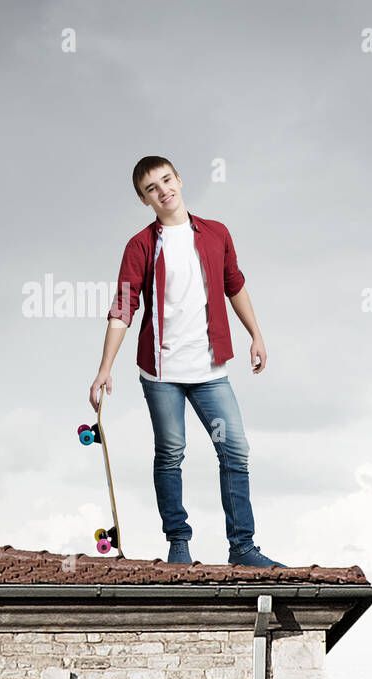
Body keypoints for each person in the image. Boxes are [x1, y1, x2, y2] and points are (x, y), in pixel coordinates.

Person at [89, 155, 284, 567]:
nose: (163, 191)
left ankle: (242, 547)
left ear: (179, 179)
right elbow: (123, 306)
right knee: (171, 452)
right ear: (144, 199)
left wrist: (255, 334)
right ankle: (178, 542)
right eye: (152, 188)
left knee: (235, 450)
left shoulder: (216, 233)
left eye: (166, 180)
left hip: (210, 369)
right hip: (161, 374)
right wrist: (105, 368)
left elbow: (234, 285)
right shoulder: (140, 245)